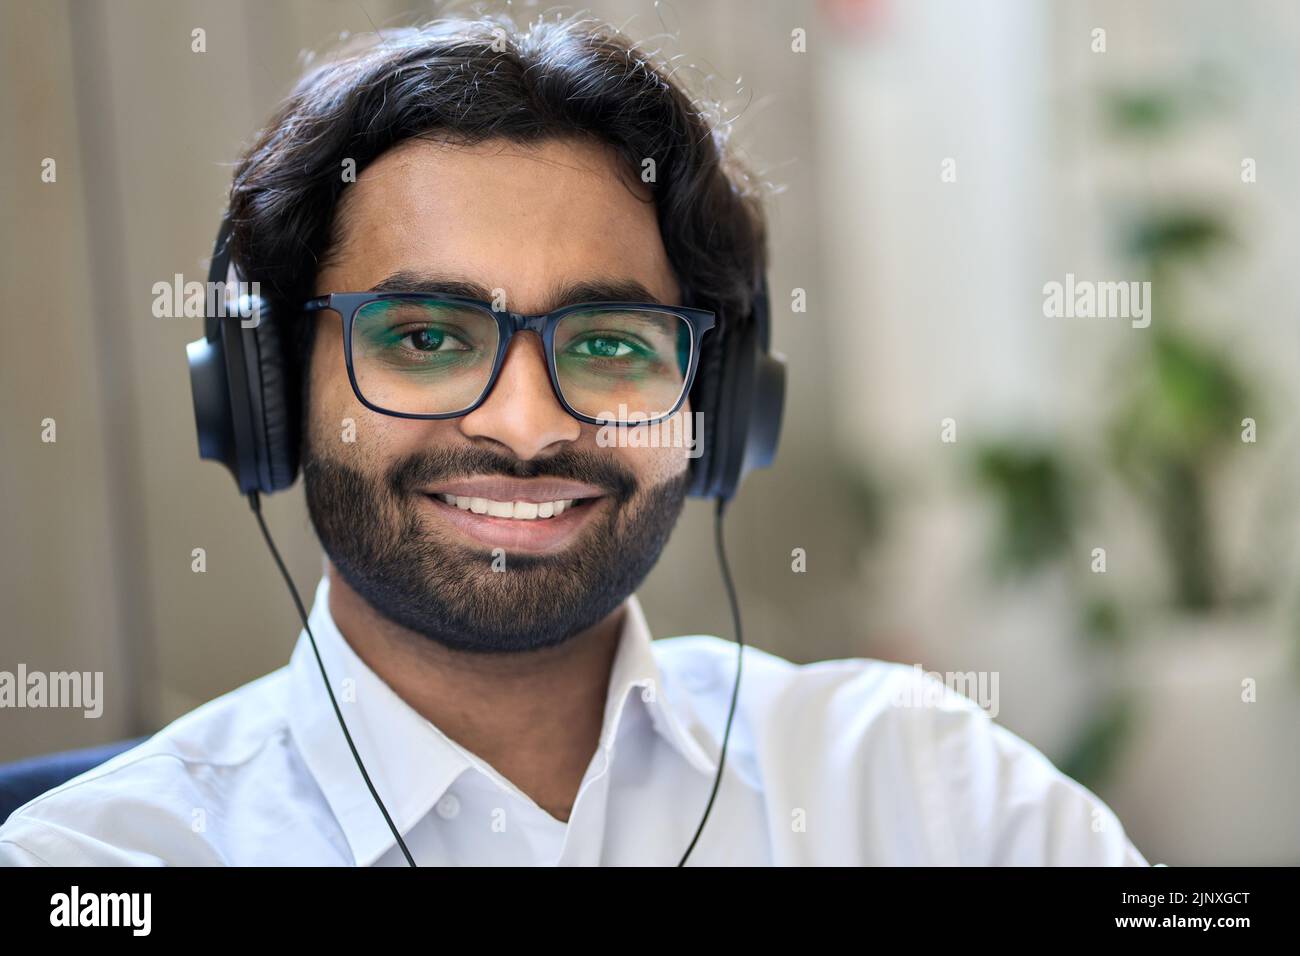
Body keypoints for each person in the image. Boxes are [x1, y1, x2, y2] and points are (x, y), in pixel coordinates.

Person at [0, 13, 1146, 866]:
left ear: (720, 410)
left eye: (607, 344)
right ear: (267, 396)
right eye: (425, 334)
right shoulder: (106, 863)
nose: (525, 422)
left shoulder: (920, 788)